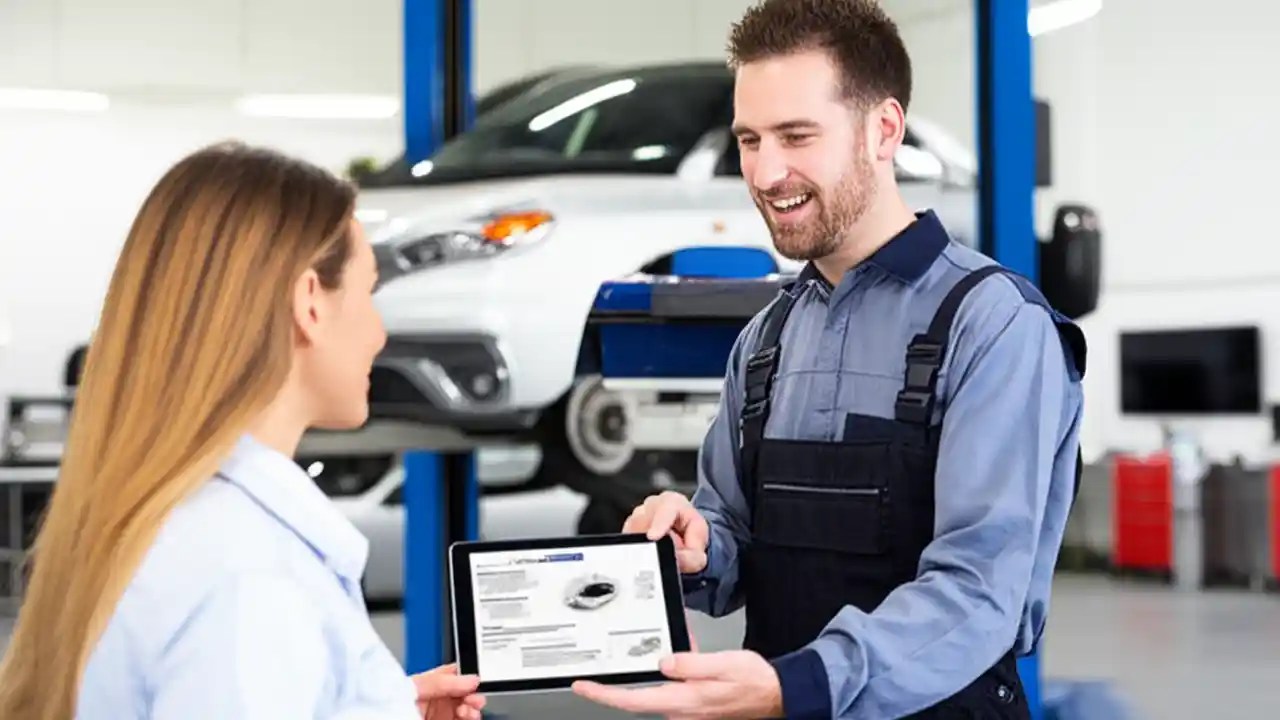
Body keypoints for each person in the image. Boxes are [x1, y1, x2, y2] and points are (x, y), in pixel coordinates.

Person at [572, 0, 1087, 718]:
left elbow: (977, 594)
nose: (766, 172)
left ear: (883, 130)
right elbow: (735, 536)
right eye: (749, 139)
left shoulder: (996, 326)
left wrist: (800, 686)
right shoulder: (765, 341)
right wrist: (695, 547)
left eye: (796, 135)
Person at [0, 142, 487, 720]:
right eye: (369, 291)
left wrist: (374, 704)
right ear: (310, 302)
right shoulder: (252, 580)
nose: (380, 332)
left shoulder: (169, 525)